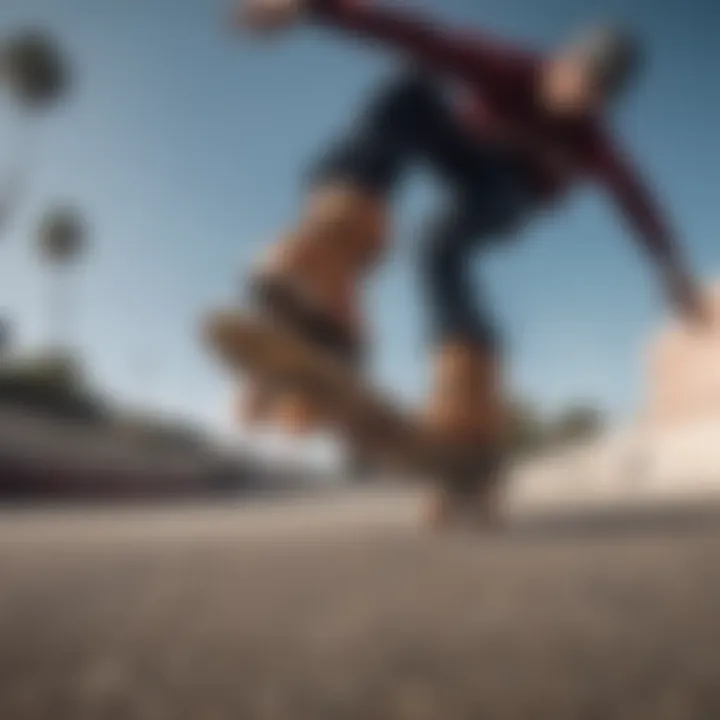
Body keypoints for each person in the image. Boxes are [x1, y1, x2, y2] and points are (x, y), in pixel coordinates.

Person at [231, 0, 707, 524]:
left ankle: (468, 420)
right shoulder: (510, 68)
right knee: (409, 93)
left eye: (593, 94)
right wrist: (315, 11)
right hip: (463, 154)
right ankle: (326, 266)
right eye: (576, 79)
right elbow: (423, 37)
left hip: (506, 198)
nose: (575, 98)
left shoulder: (592, 139)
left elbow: (634, 199)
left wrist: (671, 269)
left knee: (440, 248)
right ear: (562, 61)